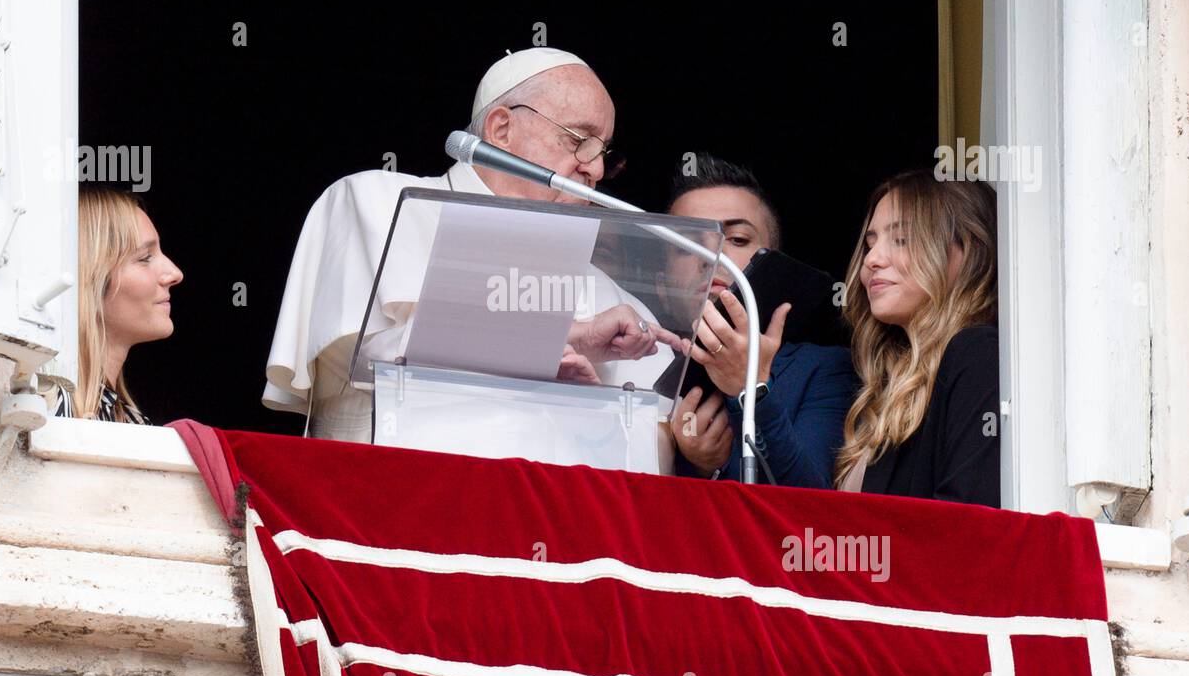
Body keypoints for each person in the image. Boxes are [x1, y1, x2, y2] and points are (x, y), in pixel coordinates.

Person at [263, 47, 684, 447]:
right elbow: (375, 353)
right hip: (387, 507)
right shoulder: (379, 201)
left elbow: (651, 445)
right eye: (579, 140)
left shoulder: (611, 295)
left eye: (603, 151)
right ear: (501, 128)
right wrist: (572, 336)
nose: (593, 168)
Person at [663, 154, 858, 487]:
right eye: (687, 244)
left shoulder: (823, 369)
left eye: (737, 240)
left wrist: (749, 390)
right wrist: (696, 466)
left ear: (775, 265)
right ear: (660, 283)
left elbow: (809, 505)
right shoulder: (635, 363)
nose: (714, 257)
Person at [834, 170, 1000, 508]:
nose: (872, 259)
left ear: (965, 251)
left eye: (901, 240)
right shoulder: (889, 387)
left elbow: (964, 525)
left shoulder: (979, 354)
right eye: (870, 243)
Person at [44, 185, 184, 423]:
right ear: (89, 279)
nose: (175, 273)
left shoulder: (132, 421)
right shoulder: (43, 409)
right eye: (145, 258)